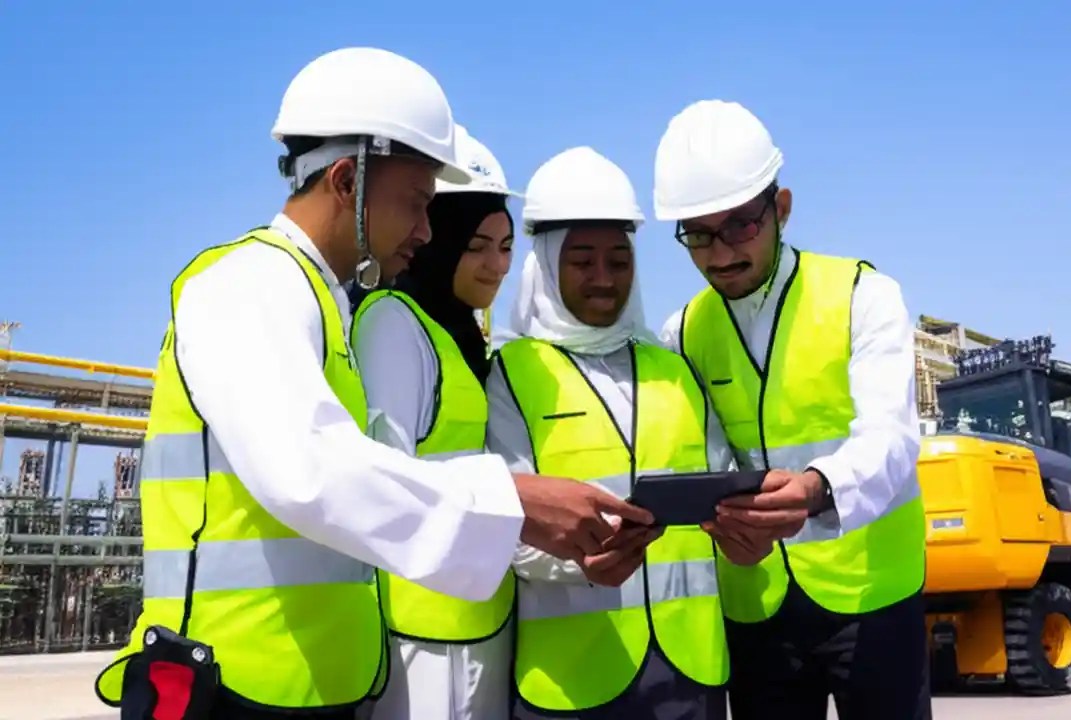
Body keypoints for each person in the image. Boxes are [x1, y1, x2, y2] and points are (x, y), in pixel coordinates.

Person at [93, 47, 652, 720]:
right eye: (416, 203)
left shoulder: (324, 306)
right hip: (229, 685)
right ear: (345, 181)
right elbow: (310, 471)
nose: (424, 231)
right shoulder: (247, 284)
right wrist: (514, 503)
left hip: (315, 683)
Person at [653, 99, 931, 720]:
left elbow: (891, 437)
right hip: (757, 603)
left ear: (781, 209)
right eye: (697, 235)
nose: (720, 255)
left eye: (739, 228)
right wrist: (727, 532)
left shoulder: (862, 295)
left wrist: (816, 488)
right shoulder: (682, 332)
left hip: (871, 594)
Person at [485, 146, 734, 720]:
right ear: (546, 264)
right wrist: (576, 563)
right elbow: (499, 517)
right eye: (583, 261)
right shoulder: (511, 375)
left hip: (688, 670)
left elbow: (717, 485)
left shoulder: (673, 368)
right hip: (573, 679)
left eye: (619, 261)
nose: (604, 279)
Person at [352, 125, 520, 720]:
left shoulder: (466, 337)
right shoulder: (395, 325)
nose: (496, 265)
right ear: (439, 239)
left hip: (480, 618)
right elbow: (383, 480)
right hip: (419, 641)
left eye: (506, 246)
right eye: (477, 246)